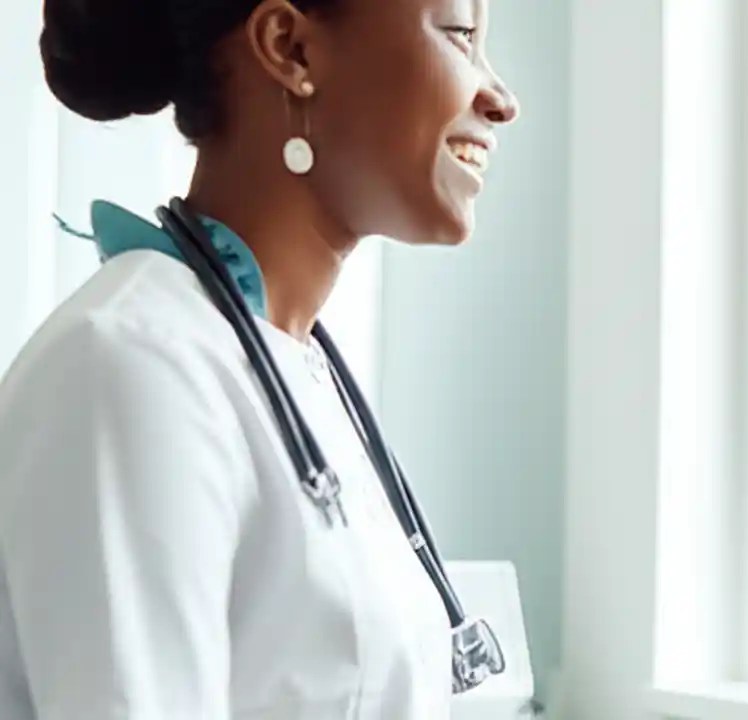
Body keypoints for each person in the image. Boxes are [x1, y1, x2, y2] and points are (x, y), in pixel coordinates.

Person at [0, 0, 518, 717]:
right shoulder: (132, 367)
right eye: (461, 37)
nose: (501, 99)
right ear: (291, 49)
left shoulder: (294, 366)